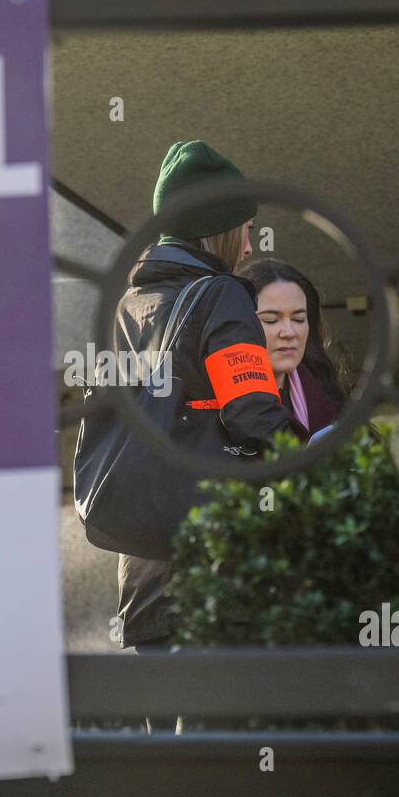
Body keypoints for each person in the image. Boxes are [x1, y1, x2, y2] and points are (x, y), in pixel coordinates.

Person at [114, 141, 293, 660]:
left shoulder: (128, 305)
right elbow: (252, 412)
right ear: (221, 229)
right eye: (246, 229)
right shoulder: (222, 295)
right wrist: (313, 461)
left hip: (142, 574)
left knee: (165, 736)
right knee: (216, 737)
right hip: (213, 571)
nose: (248, 247)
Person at [237, 258, 348, 442]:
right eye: (271, 320)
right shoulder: (213, 406)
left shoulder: (329, 401)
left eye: (298, 319)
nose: (289, 333)